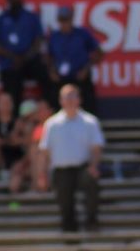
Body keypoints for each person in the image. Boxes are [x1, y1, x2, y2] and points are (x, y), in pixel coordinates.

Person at [37, 84, 104, 233]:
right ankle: (69, 227)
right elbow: (44, 151)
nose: (69, 100)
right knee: (64, 200)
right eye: (66, 97)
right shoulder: (52, 124)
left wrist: (94, 166)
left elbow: (96, 148)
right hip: (61, 170)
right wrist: (42, 174)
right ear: (60, 100)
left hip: (83, 167)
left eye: (73, 96)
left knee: (91, 181)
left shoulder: (90, 121)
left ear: (79, 99)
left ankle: (91, 220)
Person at [0, 0, 53, 109]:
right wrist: (13, 57)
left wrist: (25, 57)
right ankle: (15, 116)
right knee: (11, 89)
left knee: (46, 77)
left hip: (30, 59)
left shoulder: (31, 17)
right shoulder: (0, 19)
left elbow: (39, 40)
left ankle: (49, 109)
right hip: (10, 62)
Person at [46, 5, 101, 113]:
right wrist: (51, 71)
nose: (64, 23)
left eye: (66, 20)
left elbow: (99, 52)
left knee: (88, 106)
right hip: (60, 78)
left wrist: (86, 69)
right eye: (61, 20)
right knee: (54, 102)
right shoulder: (54, 37)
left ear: (71, 19)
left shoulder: (82, 34)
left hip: (79, 76)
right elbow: (48, 56)